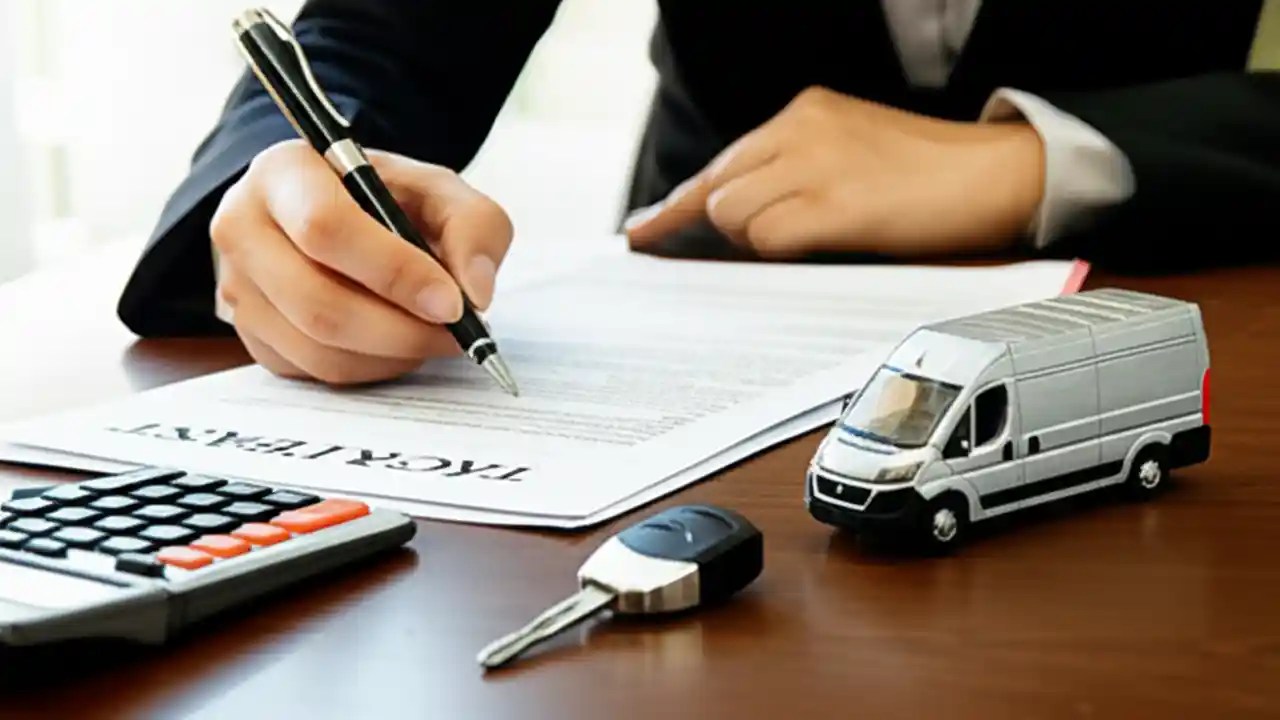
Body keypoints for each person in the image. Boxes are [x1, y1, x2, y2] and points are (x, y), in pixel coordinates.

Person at [118, 1, 1280, 385]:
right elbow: (373, 44)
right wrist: (278, 193)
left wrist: (1031, 159)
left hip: (1172, 318)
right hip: (697, 321)